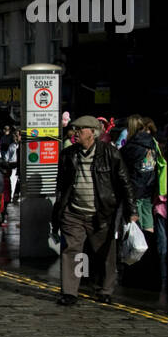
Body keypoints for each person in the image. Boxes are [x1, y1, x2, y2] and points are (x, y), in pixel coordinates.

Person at [51, 115, 138, 306]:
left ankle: (105, 290)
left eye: (80, 130)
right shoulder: (68, 154)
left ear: (92, 133)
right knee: (71, 251)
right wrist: (59, 212)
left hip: (101, 212)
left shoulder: (110, 153)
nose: (75, 134)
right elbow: (62, 186)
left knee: (105, 253)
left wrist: (131, 210)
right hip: (73, 212)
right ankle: (70, 292)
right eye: (74, 130)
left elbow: (125, 183)